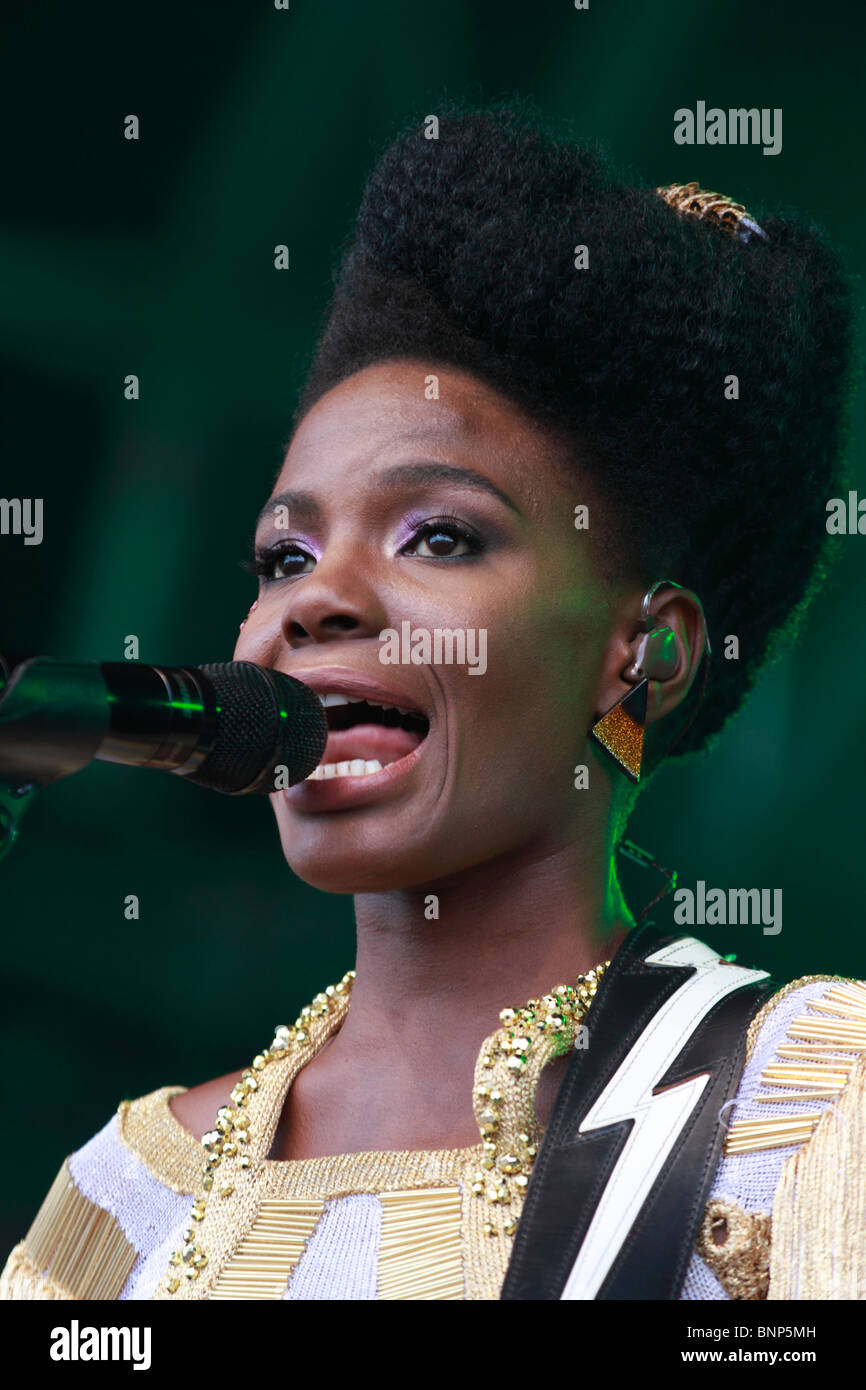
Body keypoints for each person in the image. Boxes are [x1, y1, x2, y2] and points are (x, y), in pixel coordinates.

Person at [2, 101, 862, 1302]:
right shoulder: (126, 1199)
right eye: (281, 558)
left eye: (438, 535)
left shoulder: (801, 1116)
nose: (311, 604)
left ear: (645, 653)